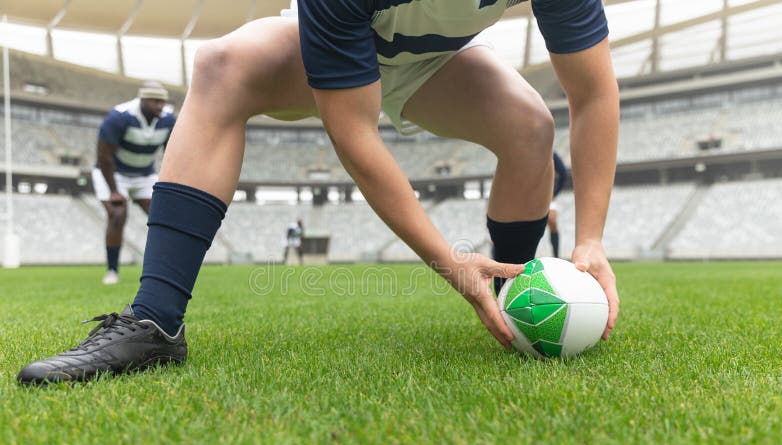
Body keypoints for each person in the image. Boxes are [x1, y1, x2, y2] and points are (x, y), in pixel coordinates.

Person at [17, 0, 620, 385]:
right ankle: (154, 324)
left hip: (434, 61)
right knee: (224, 66)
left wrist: (590, 238)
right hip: (334, 48)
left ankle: (513, 298)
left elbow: (591, 93)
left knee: (530, 126)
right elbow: (354, 131)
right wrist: (447, 260)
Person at [93, 81, 176, 284]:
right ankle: (112, 270)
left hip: (144, 174)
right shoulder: (120, 117)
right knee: (118, 214)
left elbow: (171, 153)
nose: (160, 106)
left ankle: (163, 271)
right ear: (142, 99)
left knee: (161, 216)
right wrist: (114, 190)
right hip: (113, 173)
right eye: (155, 101)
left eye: (162, 102)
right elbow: (104, 155)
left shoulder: (168, 120)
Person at [548, 151, 570, 259]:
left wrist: (554, 193)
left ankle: (556, 256)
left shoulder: (550, 153)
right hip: (527, 196)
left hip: (547, 196)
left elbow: (563, 173)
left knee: (552, 222)